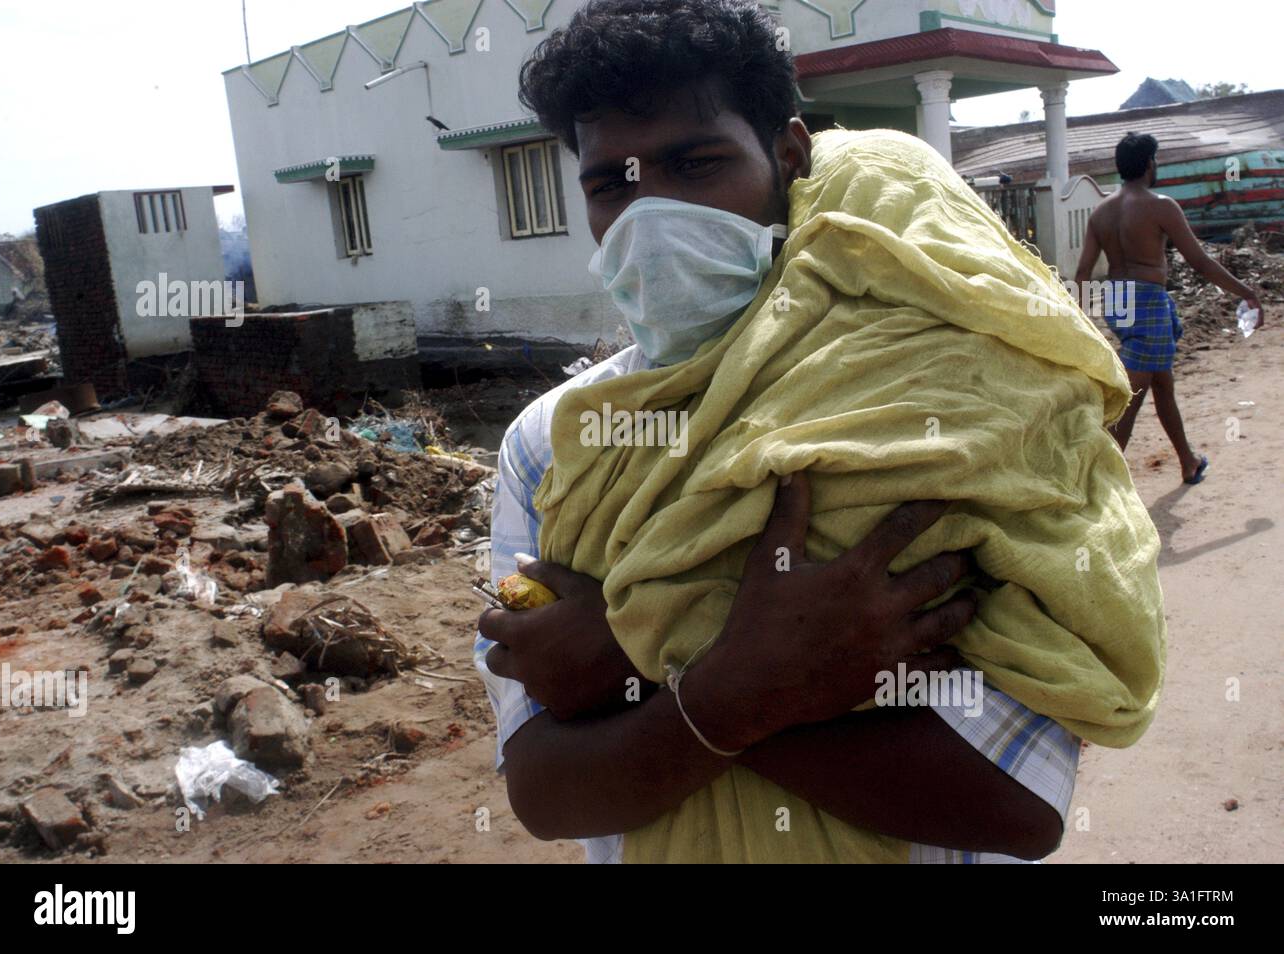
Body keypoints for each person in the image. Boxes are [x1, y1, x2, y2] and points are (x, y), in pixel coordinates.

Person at [472, 0, 1158, 864]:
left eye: (696, 163)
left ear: (787, 157)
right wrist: (747, 680)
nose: (651, 214)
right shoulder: (554, 446)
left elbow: (1017, 809)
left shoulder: (924, 402)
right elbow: (545, 792)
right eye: (613, 182)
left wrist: (649, 662)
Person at [1075, 131, 1265, 484]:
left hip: (1116, 300)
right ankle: (1100, 483)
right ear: (1150, 164)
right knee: (1132, 398)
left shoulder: (1101, 212)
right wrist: (1246, 292)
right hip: (1147, 300)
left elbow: (1083, 271)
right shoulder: (1161, 205)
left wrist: (1084, 319)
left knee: (1162, 382)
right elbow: (1200, 262)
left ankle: (1187, 461)